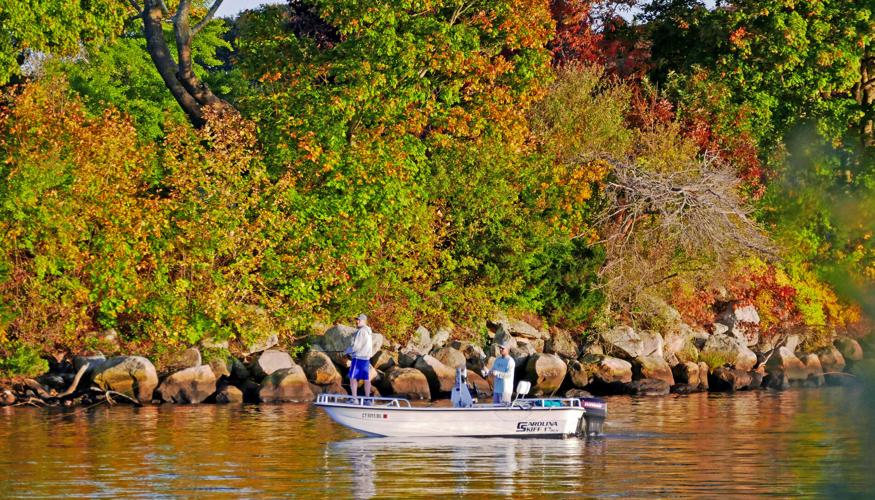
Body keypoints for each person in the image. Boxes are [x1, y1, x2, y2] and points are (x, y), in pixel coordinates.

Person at [346, 313, 373, 401]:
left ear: (364, 321)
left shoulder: (361, 331)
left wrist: (346, 351)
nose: (357, 321)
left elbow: (356, 347)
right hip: (366, 359)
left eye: (359, 320)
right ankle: (368, 399)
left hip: (358, 358)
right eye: (357, 320)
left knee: (352, 378)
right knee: (366, 379)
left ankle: (354, 399)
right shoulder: (369, 331)